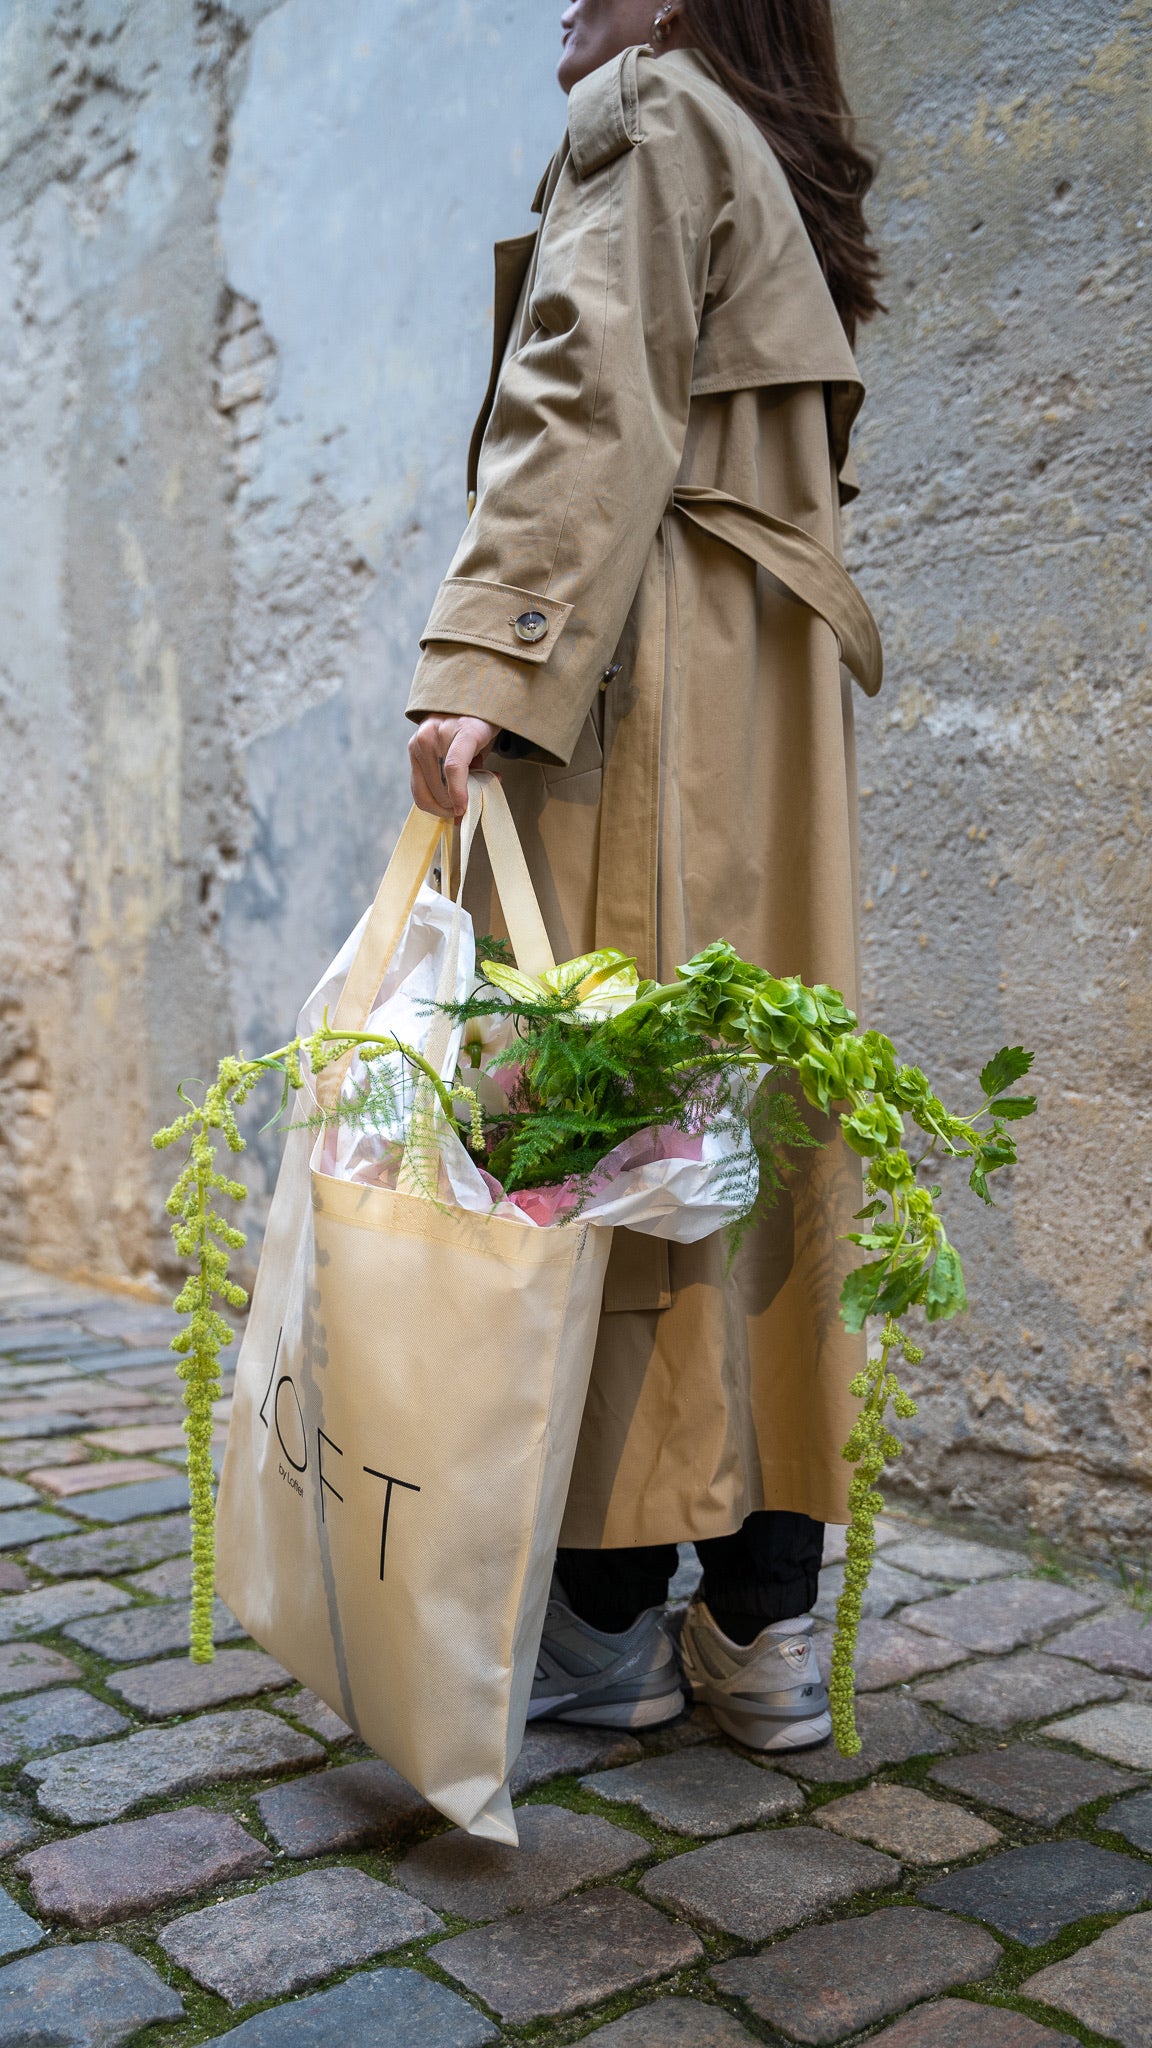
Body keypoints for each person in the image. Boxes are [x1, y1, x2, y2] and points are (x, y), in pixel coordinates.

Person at [406, 0, 884, 1751]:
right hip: (761, 720)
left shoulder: (649, 105)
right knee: (754, 1136)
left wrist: (486, 659)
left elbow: (581, 400)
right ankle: (760, 1624)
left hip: (646, 702)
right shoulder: (777, 151)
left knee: (600, 1126)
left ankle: (604, 1625)